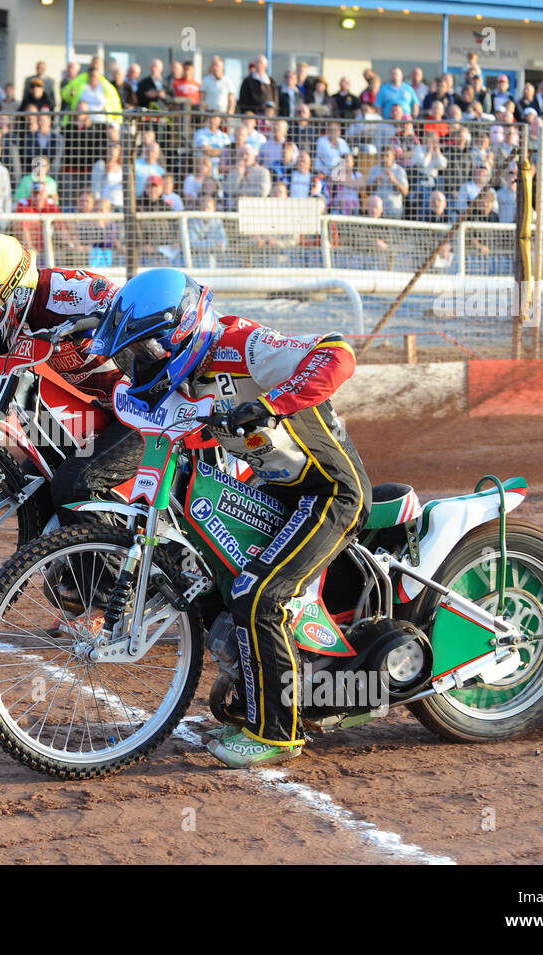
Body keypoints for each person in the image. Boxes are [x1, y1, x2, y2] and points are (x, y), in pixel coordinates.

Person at [88, 267, 367, 767]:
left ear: (178, 333)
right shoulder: (188, 376)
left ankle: (276, 733)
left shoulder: (243, 345)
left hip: (329, 492)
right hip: (274, 491)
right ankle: (261, 683)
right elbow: (186, 430)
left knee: (258, 593)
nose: (136, 363)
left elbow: (338, 354)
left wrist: (268, 404)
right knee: (213, 573)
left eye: (144, 351)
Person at [0, 228, 125, 508]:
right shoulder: (20, 316)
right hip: (105, 409)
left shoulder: (66, 291)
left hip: (145, 411)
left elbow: (126, 304)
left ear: (14, 291)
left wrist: (88, 323)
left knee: (73, 486)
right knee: (34, 486)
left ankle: (108, 550)